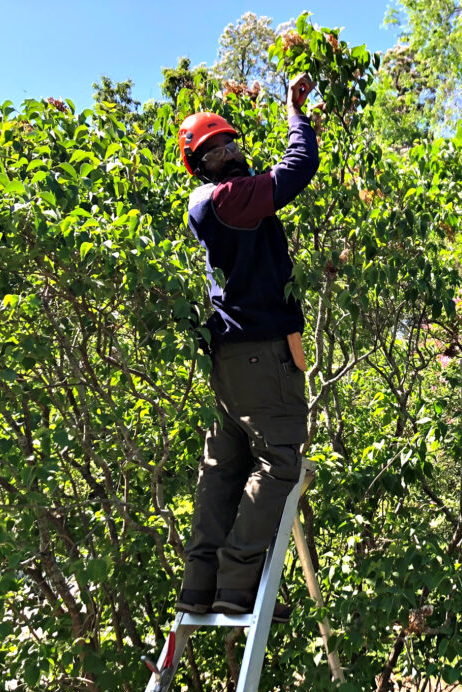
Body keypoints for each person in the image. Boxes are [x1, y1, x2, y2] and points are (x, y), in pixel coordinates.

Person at [173, 74, 318, 622]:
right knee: (281, 462)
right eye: (216, 150)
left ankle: (201, 584)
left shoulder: (217, 202)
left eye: (231, 143)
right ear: (201, 165)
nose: (229, 153)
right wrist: (295, 115)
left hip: (229, 361)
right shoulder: (229, 200)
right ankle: (238, 584)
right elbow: (298, 166)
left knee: (223, 469)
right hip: (260, 357)